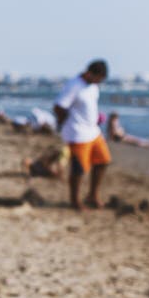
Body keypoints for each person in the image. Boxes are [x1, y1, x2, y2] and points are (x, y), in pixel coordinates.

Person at [54, 59, 111, 210]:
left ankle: (93, 195)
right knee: (79, 168)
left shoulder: (93, 87)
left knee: (103, 161)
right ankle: (75, 201)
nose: (99, 81)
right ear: (90, 73)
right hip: (77, 133)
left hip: (93, 131)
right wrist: (63, 124)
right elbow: (59, 107)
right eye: (98, 78)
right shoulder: (74, 85)